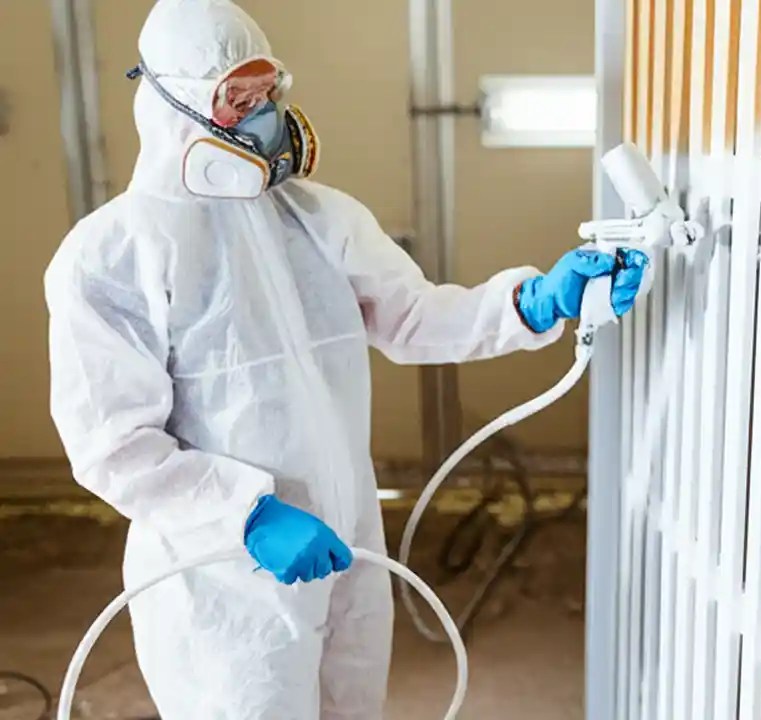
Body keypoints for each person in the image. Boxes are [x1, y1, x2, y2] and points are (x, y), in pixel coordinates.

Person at [44, 0, 647, 717]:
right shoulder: (109, 255)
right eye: (237, 99)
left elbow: (415, 317)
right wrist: (247, 516)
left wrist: (536, 302)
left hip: (346, 546)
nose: (261, 116)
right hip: (223, 581)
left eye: (267, 93)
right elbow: (113, 444)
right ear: (171, 104)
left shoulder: (316, 216)